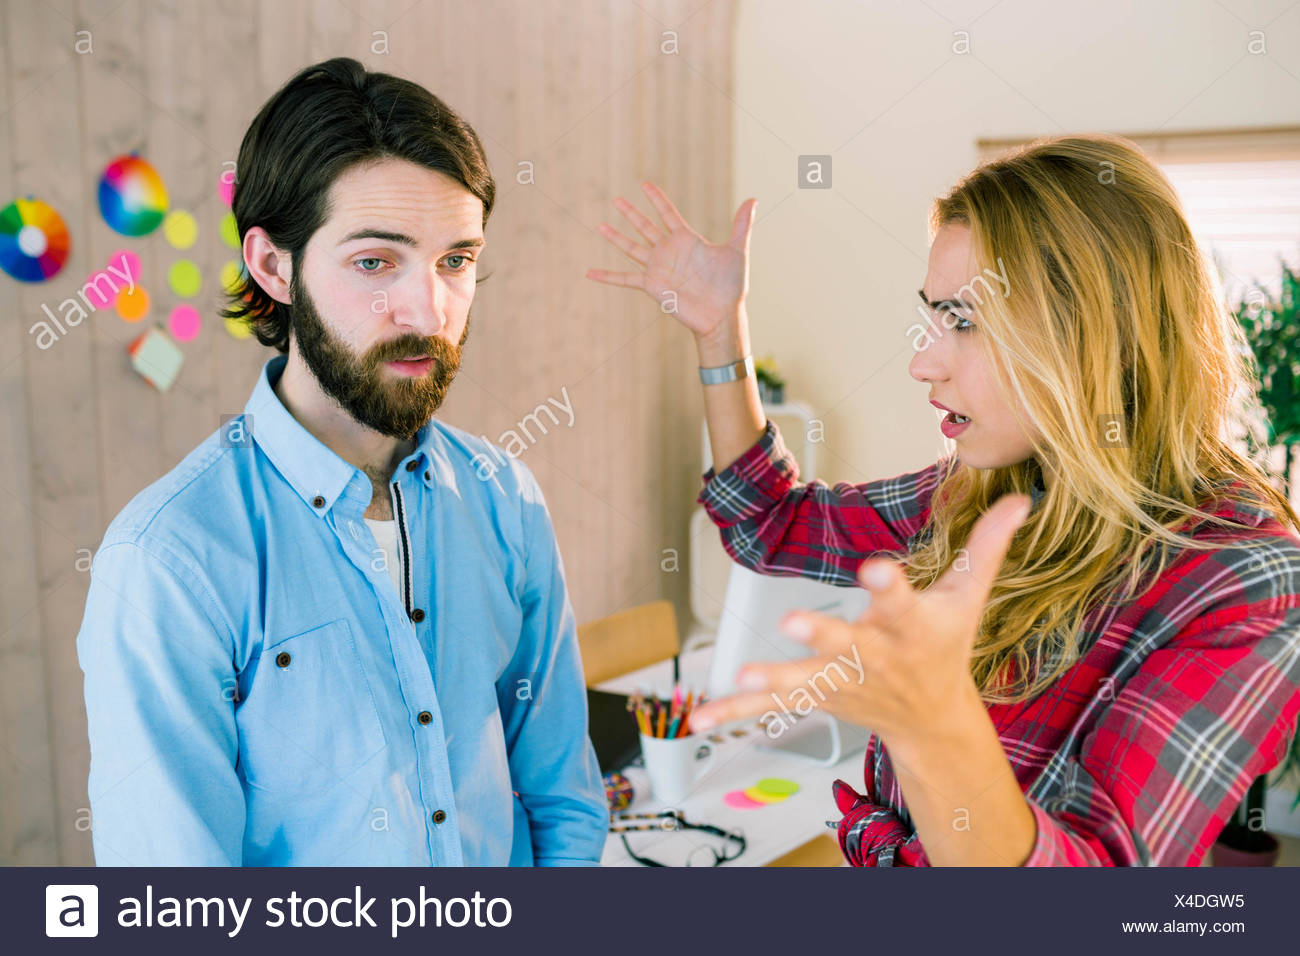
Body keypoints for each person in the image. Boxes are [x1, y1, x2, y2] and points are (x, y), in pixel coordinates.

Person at [587, 134, 1300, 867]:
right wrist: (719, 333)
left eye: (964, 320)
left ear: (1088, 332)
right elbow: (773, 522)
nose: (922, 362)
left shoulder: (1242, 580)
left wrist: (935, 729)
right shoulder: (987, 491)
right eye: (934, 317)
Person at [75, 57, 607, 866]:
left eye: (455, 261)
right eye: (374, 262)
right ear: (272, 265)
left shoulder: (508, 501)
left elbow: (561, 800)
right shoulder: (168, 561)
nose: (429, 311)